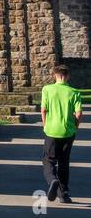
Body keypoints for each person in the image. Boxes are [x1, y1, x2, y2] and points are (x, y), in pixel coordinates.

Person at [40, 64, 82, 204]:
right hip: (68, 131)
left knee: (49, 160)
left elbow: (44, 109)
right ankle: (64, 194)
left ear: (54, 75)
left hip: (51, 130)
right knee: (64, 162)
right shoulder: (74, 92)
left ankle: (53, 180)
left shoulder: (47, 89)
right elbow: (78, 113)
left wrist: (45, 124)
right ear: (68, 76)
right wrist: (75, 126)